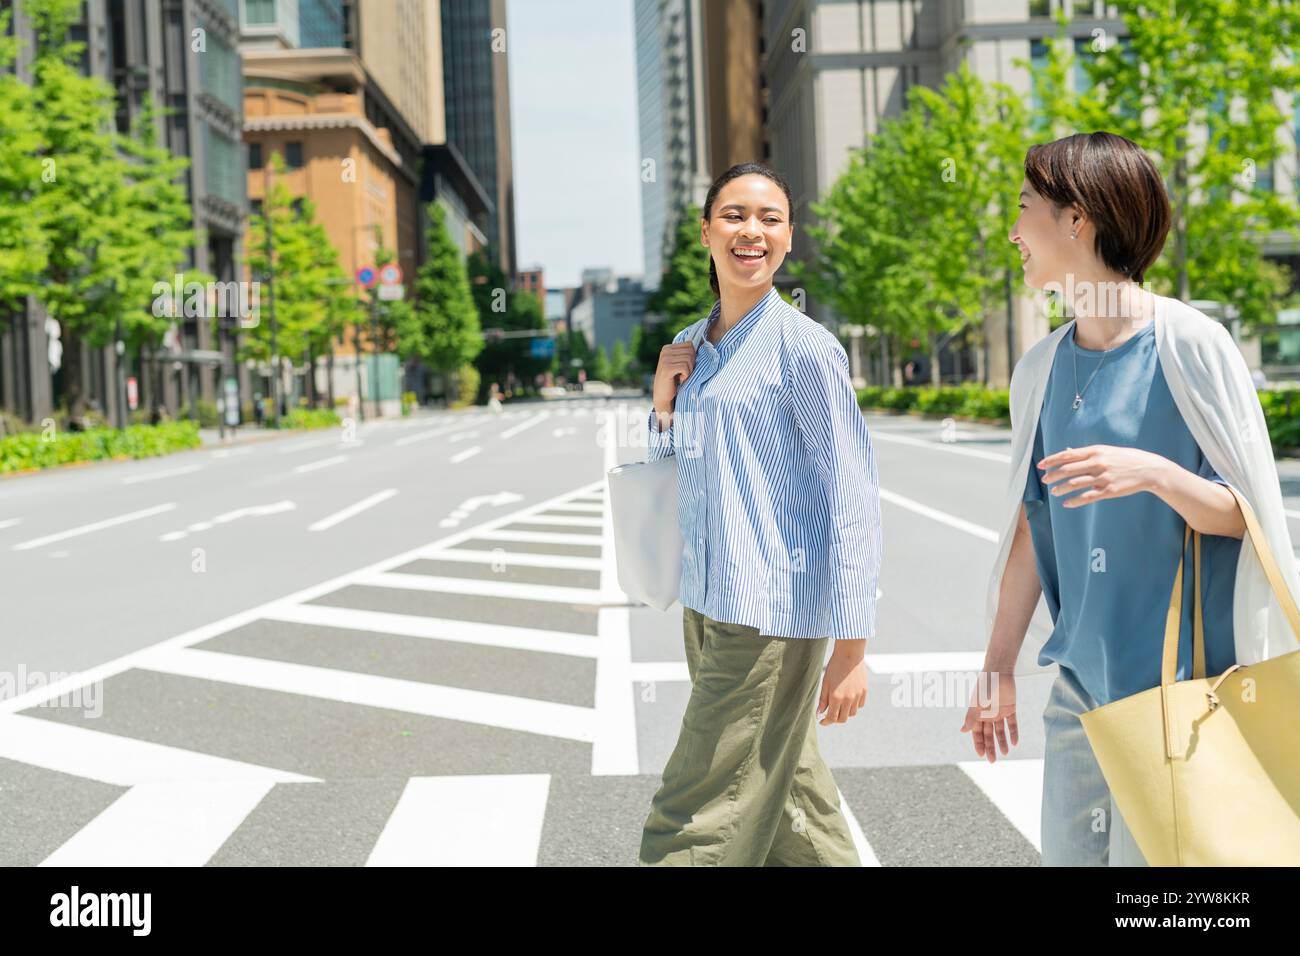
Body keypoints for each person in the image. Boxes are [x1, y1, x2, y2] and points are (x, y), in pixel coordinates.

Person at [960, 131, 1300, 866]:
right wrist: (996, 670)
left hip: (1184, 695)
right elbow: (1033, 523)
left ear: (1076, 220)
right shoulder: (1041, 368)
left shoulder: (1191, 346)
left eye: (1025, 210)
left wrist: (1155, 473)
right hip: (1079, 692)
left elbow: (1253, 521)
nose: (1014, 232)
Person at [637, 162, 882, 866]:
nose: (754, 231)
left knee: (696, 808)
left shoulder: (806, 351)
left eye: (770, 219)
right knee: (788, 792)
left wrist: (853, 645)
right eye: (736, 216)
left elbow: (849, 498)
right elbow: (680, 472)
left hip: (770, 609)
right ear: (708, 232)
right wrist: (663, 406)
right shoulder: (692, 344)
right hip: (708, 599)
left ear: (789, 240)